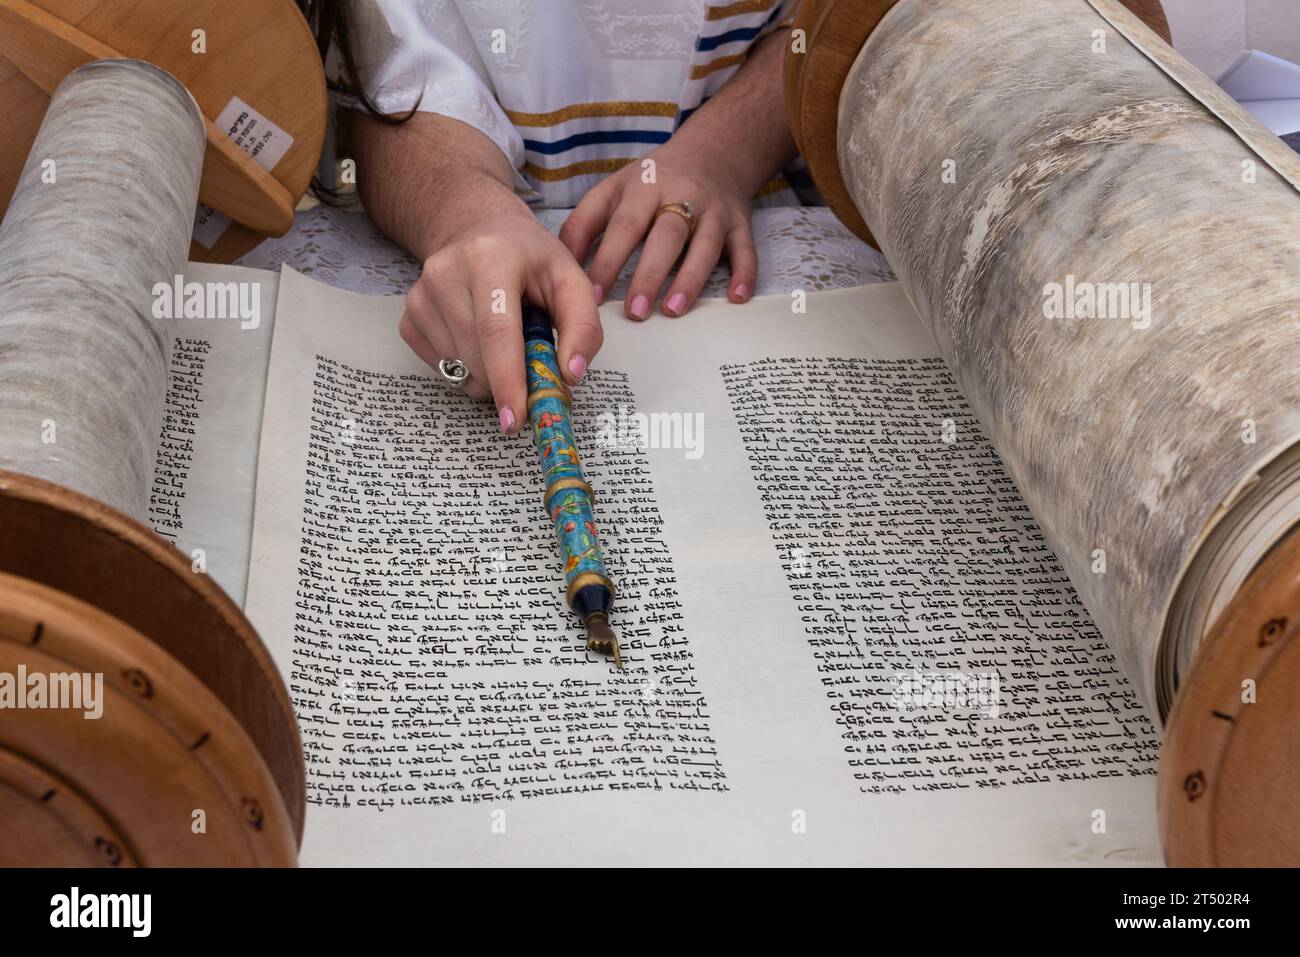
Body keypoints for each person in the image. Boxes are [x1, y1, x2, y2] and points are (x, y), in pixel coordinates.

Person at [317, 0, 800, 434]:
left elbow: (832, 26)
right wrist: (471, 217)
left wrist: (722, 150)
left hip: (743, 216)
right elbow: (392, 79)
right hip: (476, 226)